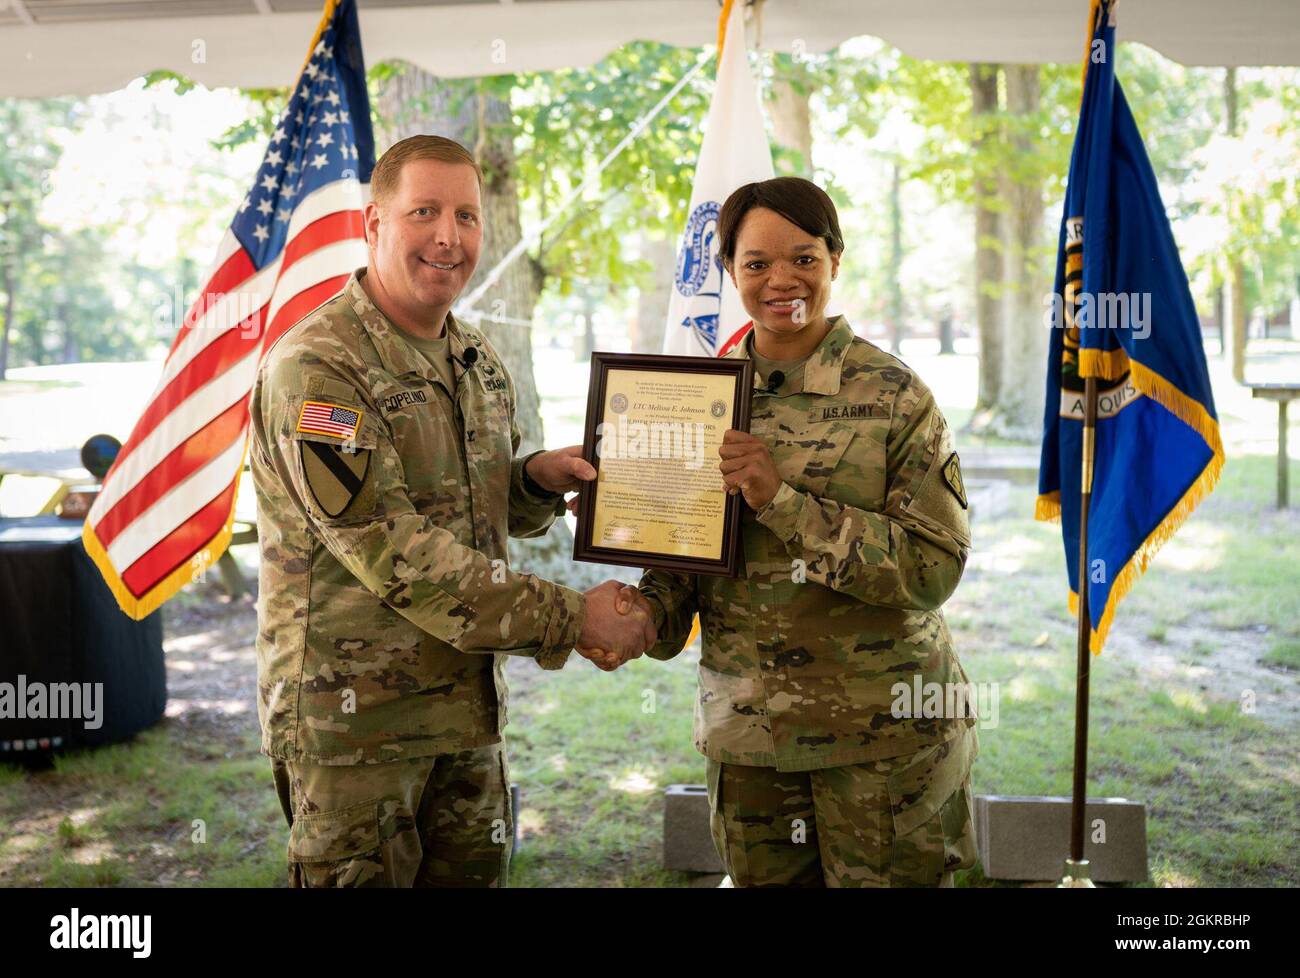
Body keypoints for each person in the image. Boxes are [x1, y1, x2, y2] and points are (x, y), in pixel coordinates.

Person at [249, 135, 655, 888]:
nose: (449, 236)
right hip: (357, 734)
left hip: (465, 716)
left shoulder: (473, 356)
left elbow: (466, 498)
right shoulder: (319, 370)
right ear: (373, 224)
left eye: (467, 216)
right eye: (425, 212)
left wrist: (533, 480)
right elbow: (397, 551)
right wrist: (575, 618)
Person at [623, 176, 979, 887]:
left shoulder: (893, 395)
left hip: (883, 743)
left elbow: (932, 569)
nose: (781, 279)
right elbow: (684, 565)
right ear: (729, 271)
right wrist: (639, 609)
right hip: (749, 744)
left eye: (804, 258)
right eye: (756, 263)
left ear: (834, 262)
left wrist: (781, 500)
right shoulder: (697, 398)